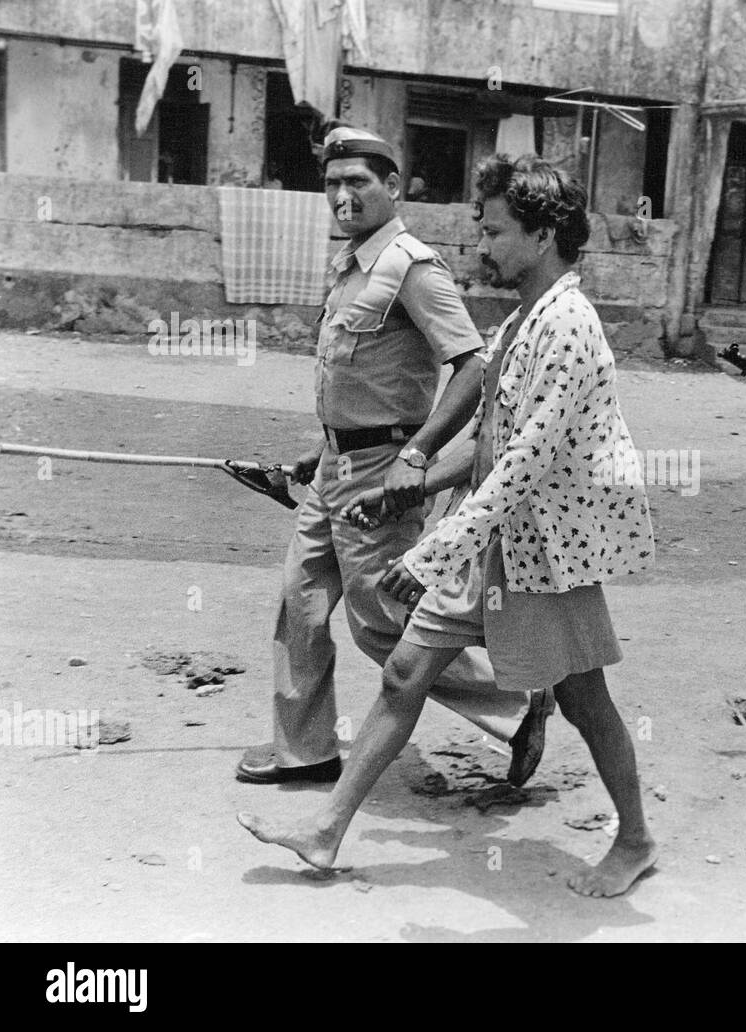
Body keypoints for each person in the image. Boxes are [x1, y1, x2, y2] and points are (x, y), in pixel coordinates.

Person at [238, 154, 659, 898]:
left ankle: (634, 838)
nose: (483, 247)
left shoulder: (569, 324)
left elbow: (525, 461)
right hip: (490, 540)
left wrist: (434, 547)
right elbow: (486, 438)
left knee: (585, 697)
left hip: (542, 554)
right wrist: (408, 489)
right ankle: (326, 831)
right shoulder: (522, 319)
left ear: (543, 232)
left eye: (495, 231)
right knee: (403, 671)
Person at [235, 127, 551, 789]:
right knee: (299, 601)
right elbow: (358, 380)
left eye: (358, 183)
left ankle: (517, 701)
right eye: (332, 183)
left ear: (393, 187)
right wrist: (320, 448)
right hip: (333, 468)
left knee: (381, 620)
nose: (343, 196)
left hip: (380, 472)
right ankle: (305, 750)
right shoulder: (350, 263)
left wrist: (415, 454)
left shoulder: (411, 266)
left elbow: (471, 368)